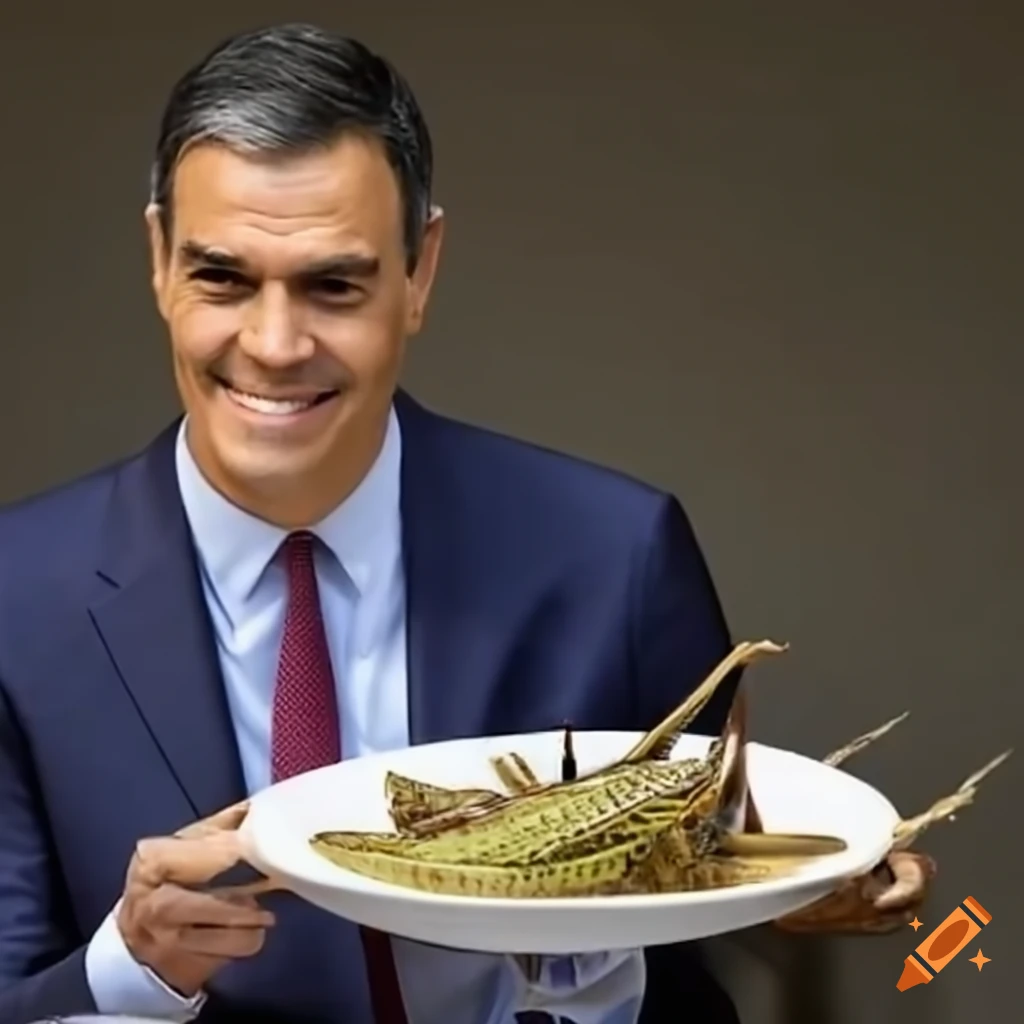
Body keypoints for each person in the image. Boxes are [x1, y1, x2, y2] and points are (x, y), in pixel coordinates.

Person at [0, 23, 935, 1024]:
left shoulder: (614, 554)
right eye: (223, 278)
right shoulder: (15, 598)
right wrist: (130, 964)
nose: (274, 344)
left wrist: (837, 892)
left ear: (420, 273)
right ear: (158, 261)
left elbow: (726, 883)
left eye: (334, 284)